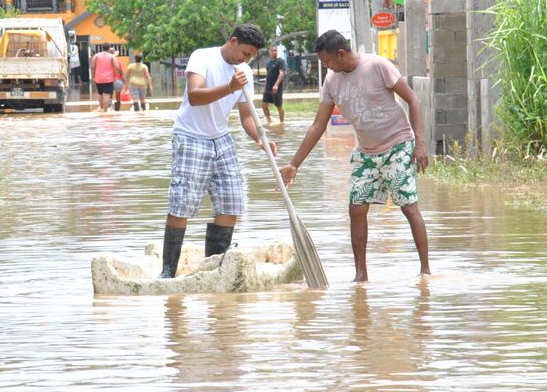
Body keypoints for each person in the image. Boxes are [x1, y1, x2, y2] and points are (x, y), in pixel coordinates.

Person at [280, 30, 430, 282]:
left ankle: (425, 270)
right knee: (356, 209)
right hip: (366, 152)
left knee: (408, 206)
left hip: (398, 144)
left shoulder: (378, 66)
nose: (326, 67)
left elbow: (413, 100)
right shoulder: (331, 81)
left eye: (327, 61)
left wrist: (420, 143)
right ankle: (361, 275)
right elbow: (318, 125)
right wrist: (294, 163)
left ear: (340, 53)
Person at [159, 23, 278, 279]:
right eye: (245, 53)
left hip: (221, 138)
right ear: (233, 41)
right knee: (182, 204)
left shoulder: (243, 70)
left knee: (232, 202)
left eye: (251, 56)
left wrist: (261, 139)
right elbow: (195, 96)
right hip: (190, 136)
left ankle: (214, 269)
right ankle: (168, 271)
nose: (246, 59)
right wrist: (229, 87)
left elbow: (246, 116)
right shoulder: (202, 57)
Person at [90, 45, 123, 112]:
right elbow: (117, 68)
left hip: (98, 79)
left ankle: (101, 108)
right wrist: (115, 76)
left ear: (102, 48)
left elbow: (92, 67)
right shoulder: (112, 57)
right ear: (108, 49)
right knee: (106, 95)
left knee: (100, 94)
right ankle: (105, 111)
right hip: (108, 79)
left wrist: (93, 77)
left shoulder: (96, 56)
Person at [261, 46, 287, 125]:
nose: (274, 52)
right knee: (264, 105)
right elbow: (268, 76)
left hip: (276, 88)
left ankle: (282, 123)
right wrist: (265, 88)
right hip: (268, 88)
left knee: (279, 106)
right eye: (272, 50)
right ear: (269, 51)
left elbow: (282, 73)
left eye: (275, 51)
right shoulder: (268, 64)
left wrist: (276, 85)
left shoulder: (280, 61)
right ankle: (269, 121)